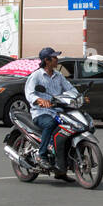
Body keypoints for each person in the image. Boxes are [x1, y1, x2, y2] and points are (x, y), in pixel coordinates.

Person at [25, 47, 75, 179]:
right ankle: (41, 155)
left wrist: (78, 96)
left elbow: (70, 88)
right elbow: (29, 94)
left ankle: (61, 169)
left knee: (70, 129)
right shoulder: (36, 76)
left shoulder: (58, 76)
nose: (57, 59)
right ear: (47, 60)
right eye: (54, 57)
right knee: (50, 124)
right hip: (41, 112)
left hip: (58, 111)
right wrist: (40, 100)